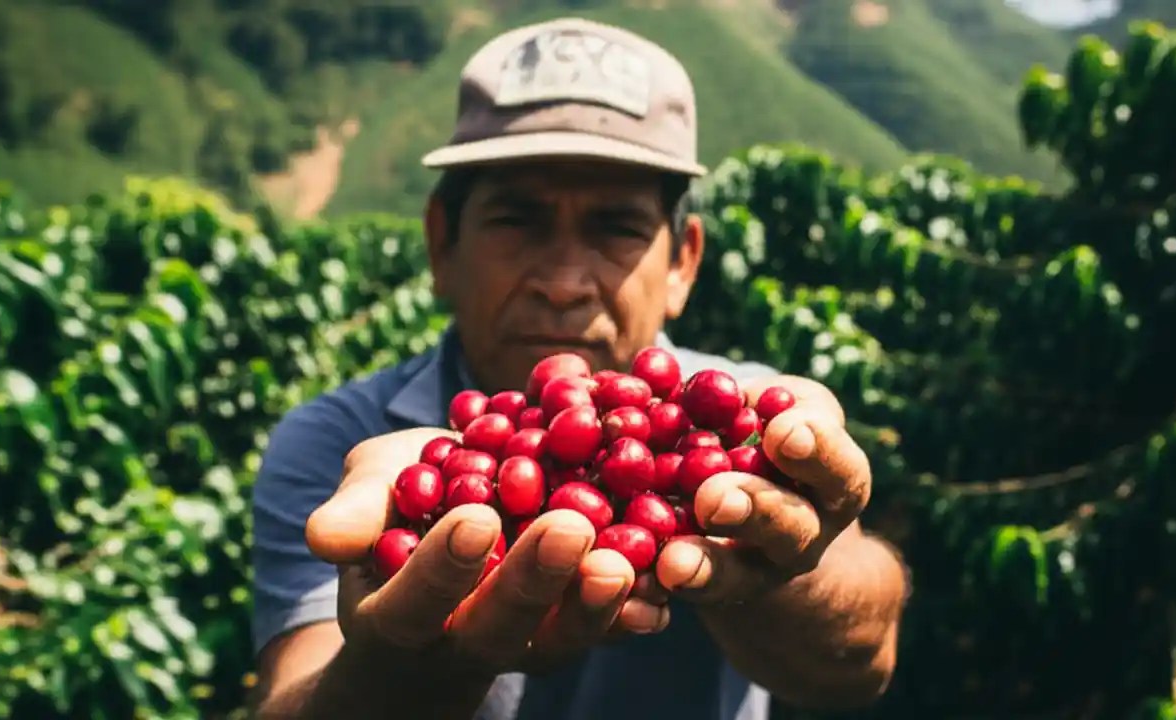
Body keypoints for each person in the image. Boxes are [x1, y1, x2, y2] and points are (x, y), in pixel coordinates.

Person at [250, 16, 909, 720]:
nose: (564, 281)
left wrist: (783, 557)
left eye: (615, 228)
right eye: (518, 220)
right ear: (442, 244)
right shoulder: (340, 442)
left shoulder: (742, 435)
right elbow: (294, 691)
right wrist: (400, 673)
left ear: (683, 262)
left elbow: (861, 663)